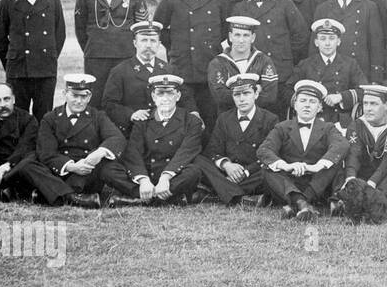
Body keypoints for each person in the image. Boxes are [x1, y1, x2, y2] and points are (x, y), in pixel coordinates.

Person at [154, 0, 229, 132]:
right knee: (183, 121)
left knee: (211, 119)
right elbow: (159, 29)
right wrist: (176, 48)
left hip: (209, 69)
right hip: (182, 68)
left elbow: (225, 30)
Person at [34, 73, 132, 208]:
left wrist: (100, 152)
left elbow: (117, 138)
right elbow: (46, 153)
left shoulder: (97, 116)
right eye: (74, 95)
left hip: (89, 170)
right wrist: (71, 167)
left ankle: (52, 194)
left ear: (90, 97)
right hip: (63, 172)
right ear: (65, 93)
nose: (79, 101)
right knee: (32, 164)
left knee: (109, 167)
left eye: (84, 96)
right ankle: (73, 197)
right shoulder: (50, 118)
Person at [258, 79, 349, 220]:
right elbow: (264, 150)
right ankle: (302, 204)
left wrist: (317, 166)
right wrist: (287, 166)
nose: (307, 105)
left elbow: (342, 144)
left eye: (312, 102)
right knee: (267, 168)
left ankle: (297, 204)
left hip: (317, 182)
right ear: (295, 105)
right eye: (303, 101)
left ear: (319, 107)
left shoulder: (328, 128)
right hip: (289, 183)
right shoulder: (282, 127)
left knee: (334, 163)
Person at [0, 0, 65, 120]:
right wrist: (11, 61)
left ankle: (41, 147)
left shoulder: (53, 0)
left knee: (44, 116)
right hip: (19, 70)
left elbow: (59, 35)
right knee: (18, 116)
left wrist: (48, 58)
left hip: (45, 70)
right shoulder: (8, 2)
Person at [230, 0, 309, 118]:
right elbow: (233, 42)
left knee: (276, 122)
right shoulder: (240, 7)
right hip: (249, 76)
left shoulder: (285, 5)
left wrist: (286, 59)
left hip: (279, 75)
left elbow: (301, 37)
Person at [73, 0, 149, 107]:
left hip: (125, 55)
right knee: (96, 99)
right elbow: (80, 28)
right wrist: (91, 48)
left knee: (126, 98)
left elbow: (142, 27)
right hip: (96, 57)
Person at [193, 73, 278, 208]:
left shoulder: (270, 119)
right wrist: (226, 165)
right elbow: (212, 149)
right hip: (226, 173)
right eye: (237, 95)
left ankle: (217, 193)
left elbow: (270, 153)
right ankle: (240, 198)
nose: (242, 99)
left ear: (256, 94)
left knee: (270, 172)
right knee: (199, 160)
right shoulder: (224, 118)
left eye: (246, 93)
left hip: (252, 174)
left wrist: (245, 172)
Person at [122, 73, 205, 204]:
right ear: (153, 97)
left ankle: (141, 199)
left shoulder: (191, 121)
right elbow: (133, 152)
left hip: (173, 174)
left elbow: (186, 151)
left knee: (194, 171)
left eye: (170, 93)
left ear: (178, 96)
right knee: (109, 170)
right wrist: (143, 180)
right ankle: (165, 197)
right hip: (147, 172)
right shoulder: (143, 118)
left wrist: (165, 178)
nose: (165, 98)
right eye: (160, 93)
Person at [102, 20, 190, 136]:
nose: (148, 45)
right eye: (144, 40)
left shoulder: (170, 70)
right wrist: (131, 115)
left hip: (166, 131)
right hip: (134, 130)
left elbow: (185, 98)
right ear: (135, 43)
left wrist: (194, 112)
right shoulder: (120, 71)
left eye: (153, 41)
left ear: (159, 44)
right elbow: (109, 104)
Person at [335, 84, 387, 221]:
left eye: (374, 104)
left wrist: (371, 183)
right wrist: (351, 178)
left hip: (384, 174)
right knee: (341, 172)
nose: (368, 108)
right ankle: (341, 203)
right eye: (365, 103)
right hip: (362, 174)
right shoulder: (357, 124)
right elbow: (353, 154)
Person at [313, 0, 384, 81]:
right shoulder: (322, 9)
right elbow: (314, 49)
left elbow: (376, 48)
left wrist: (375, 80)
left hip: (360, 74)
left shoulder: (369, 7)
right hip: (330, 75)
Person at [292, 19, 363, 126]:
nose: (327, 43)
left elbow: (363, 90)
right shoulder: (305, 65)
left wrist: (341, 97)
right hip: (313, 119)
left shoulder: (350, 64)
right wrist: (308, 101)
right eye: (323, 39)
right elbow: (287, 92)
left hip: (340, 120)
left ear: (338, 41)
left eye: (332, 38)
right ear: (316, 42)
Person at [208, 15, 278, 115]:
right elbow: (220, 97)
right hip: (228, 119)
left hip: (259, 119)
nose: (241, 40)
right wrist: (255, 90)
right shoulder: (218, 63)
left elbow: (270, 96)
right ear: (230, 36)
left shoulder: (264, 61)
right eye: (237, 35)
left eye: (246, 35)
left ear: (253, 37)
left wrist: (234, 91)